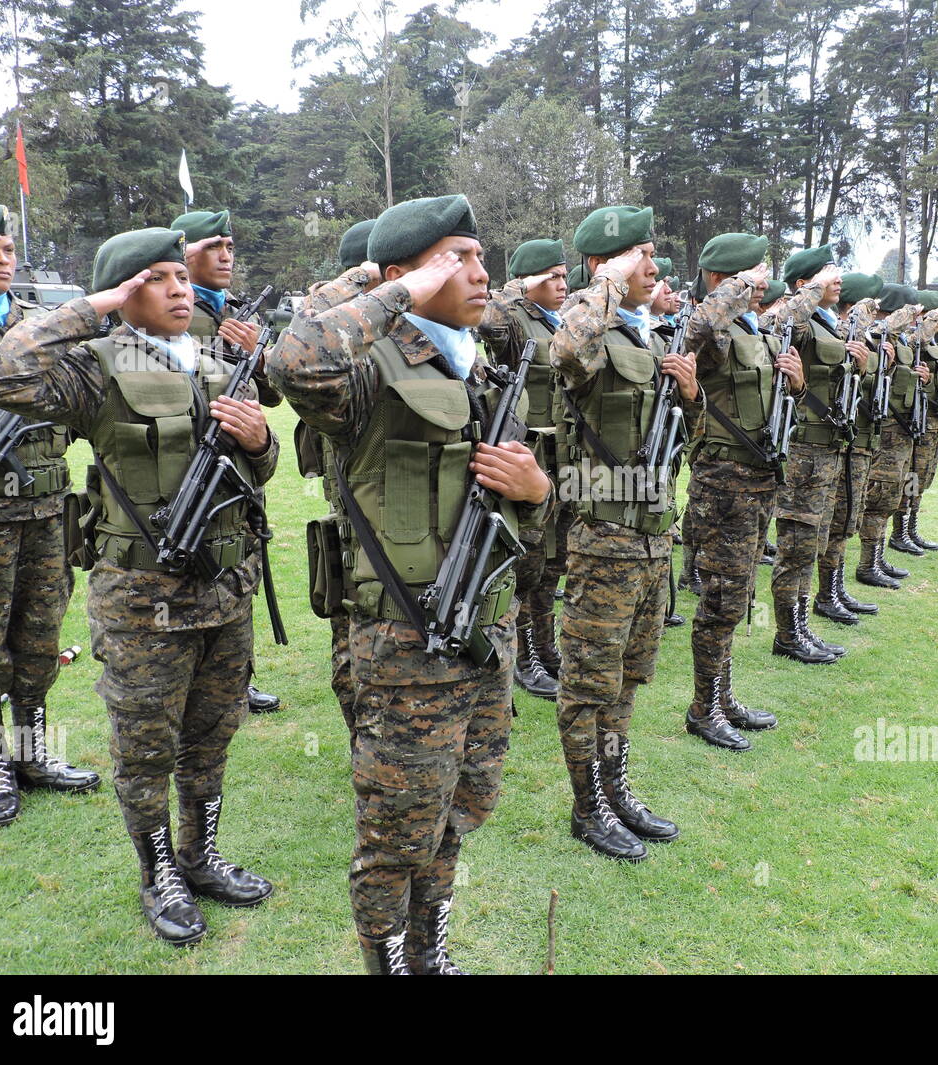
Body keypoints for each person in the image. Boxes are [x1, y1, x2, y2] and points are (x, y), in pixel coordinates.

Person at [269, 194, 553, 974]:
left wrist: (537, 492)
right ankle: (389, 962)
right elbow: (294, 358)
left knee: (463, 809)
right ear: (404, 276)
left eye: (478, 252)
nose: (479, 269)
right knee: (396, 833)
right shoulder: (363, 373)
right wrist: (382, 283)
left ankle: (431, 950)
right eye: (454, 257)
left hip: (484, 642)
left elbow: (525, 525)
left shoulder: (485, 366)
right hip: (403, 648)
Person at [0, 226, 277, 945]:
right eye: (157, 277)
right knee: (145, 744)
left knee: (212, 734)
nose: (178, 288)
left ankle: (201, 854)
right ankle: (158, 870)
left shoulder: (211, 362)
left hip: (226, 588)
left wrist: (260, 442)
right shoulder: (96, 368)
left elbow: (255, 477)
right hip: (144, 598)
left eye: (181, 275)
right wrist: (93, 306)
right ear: (123, 291)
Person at [548, 204, 702, 860]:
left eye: (652, 252)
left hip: (651, 536)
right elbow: (565, 350)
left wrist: (691, 399)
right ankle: (588, 807)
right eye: (640, 253)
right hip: (604, 535)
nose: (654, 265)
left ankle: (616, 787)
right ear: (603, 263)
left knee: (629, 677)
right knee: (590, 682)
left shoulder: (648, 336)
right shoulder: (588, 327)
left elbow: (676, 448)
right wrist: (605, 284)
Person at [0, 200, 99, 828]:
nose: (2, 257)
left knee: (40, 633)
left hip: (47, 502)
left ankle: (32, 752)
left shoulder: (36, 321)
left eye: (6, 246)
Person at [684, 232, 805, 750]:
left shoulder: (759, 331)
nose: (760, 284)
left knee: (738, 595)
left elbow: (780, 402)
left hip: (760, 478)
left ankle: (723, 696)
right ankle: (703, 707)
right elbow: (701, 326)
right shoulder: (712, 328)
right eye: (748, 275)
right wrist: (734, 287)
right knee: (720, 597)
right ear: (721, 279)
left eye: (760, 275)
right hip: (722, 483)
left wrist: (797, 384)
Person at [171, 209, 282, 714]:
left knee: (243, 567)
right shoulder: (172, 313)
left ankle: (239, 675)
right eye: (213, 246)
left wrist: (257, 354)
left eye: (230, 247)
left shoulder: (240, 312)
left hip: (244, 461)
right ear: (184, 253)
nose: (226, 257)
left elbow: (274, 394)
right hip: (189, 460)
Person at [293, 217, 378, 743]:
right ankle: (362, 732)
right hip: (350, 482)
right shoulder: (337, 316)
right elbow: (305, 330)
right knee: (351, 603)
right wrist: (362, 277)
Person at [478, 238, 573, 700]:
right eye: (550, 276)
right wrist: (518, 285)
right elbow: (484, 315)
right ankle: (525, 654)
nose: (562, 283)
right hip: (524, 457)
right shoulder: (514, 320)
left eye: (563, 274)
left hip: (563, 458)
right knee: (528, 562)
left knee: (555, 562)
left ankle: (545, 648)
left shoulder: (565, 320)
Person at [762, 247, 852, 663]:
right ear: (803, 284)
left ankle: (800, 626)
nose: (837, 279)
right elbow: (773, 322)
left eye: (836, 273)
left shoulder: (828, 324)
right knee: (796, 544)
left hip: (827, 446)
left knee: (812, 542)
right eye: (826, 274)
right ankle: (787, 633)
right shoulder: (797, 319)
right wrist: (808, 295)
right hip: (802, 448)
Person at [811, 273, 886, 624]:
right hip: (825, 442)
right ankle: (824, 598)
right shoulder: (815, 327)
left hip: (849, 439)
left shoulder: (851, 332)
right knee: (824, 527)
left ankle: (833, 590)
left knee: (843, 521)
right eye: (871, 303)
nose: (878, 309)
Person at [856, 283, 924, 589]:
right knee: (879, 497)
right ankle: (867, 563)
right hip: (884, 431)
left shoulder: (899, 340)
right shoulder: (873, 336)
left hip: (901, 429)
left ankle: (877, 558)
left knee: (891, 497)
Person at [893, 289, 938, 553]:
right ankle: (900, 532)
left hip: (934, 421)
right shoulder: (911, 343)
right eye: (933, 318)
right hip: (916, 422)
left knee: (922, 478)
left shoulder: (935, 346)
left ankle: (911, 529)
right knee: (911, 478)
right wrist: (928, 380)